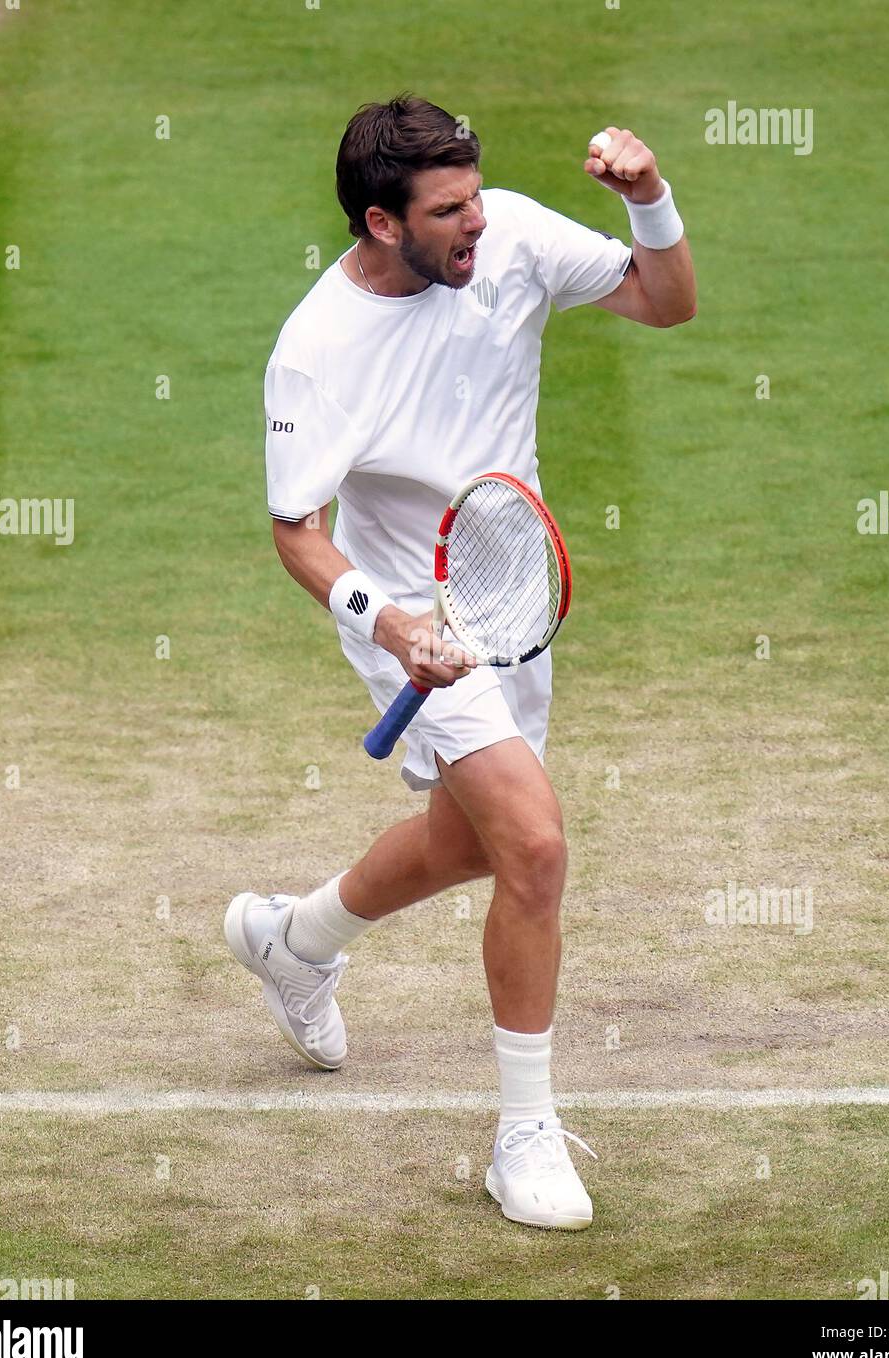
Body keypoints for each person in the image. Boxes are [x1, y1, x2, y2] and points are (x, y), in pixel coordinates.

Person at [225, 95, 696, 1230]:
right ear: (383, 224)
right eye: (448, 210)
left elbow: (665, 303)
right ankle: (522, 1136)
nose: (475, 222)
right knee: (533, 845)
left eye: (476, 194)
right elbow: (299, 530)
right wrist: (388, 627)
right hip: (410, 619)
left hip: (504, 592)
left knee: (467, 845)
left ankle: (297, 941)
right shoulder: (318, 352)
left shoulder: (515, 238)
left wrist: (650, 200)